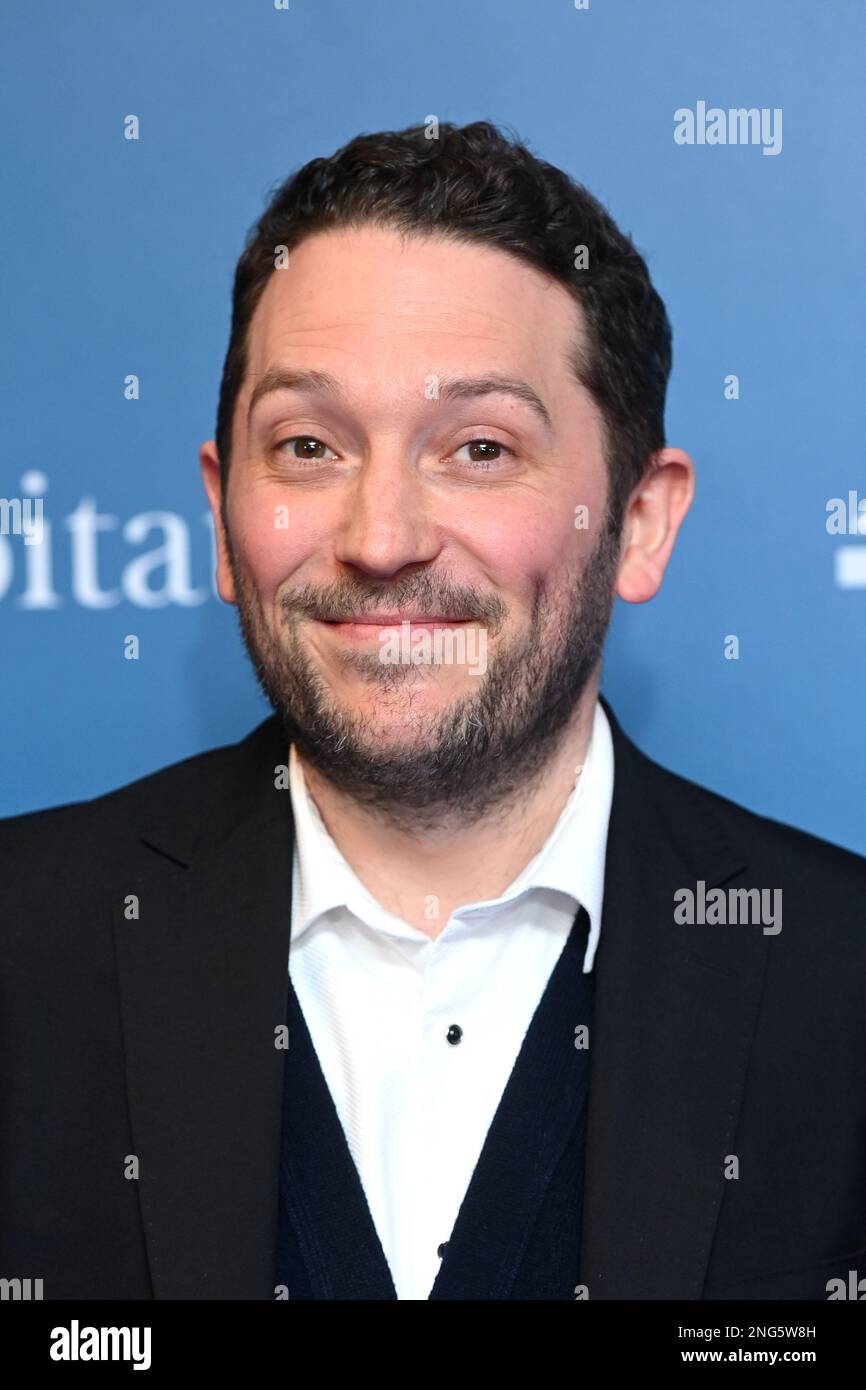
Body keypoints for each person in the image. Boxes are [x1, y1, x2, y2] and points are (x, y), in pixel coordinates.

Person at [2, 121, 864, 1301]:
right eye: (307, 445)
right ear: (220, 511)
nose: (382, 539)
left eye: (476, 447)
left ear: (640, 519)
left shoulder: (838, 974)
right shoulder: (25, 940)